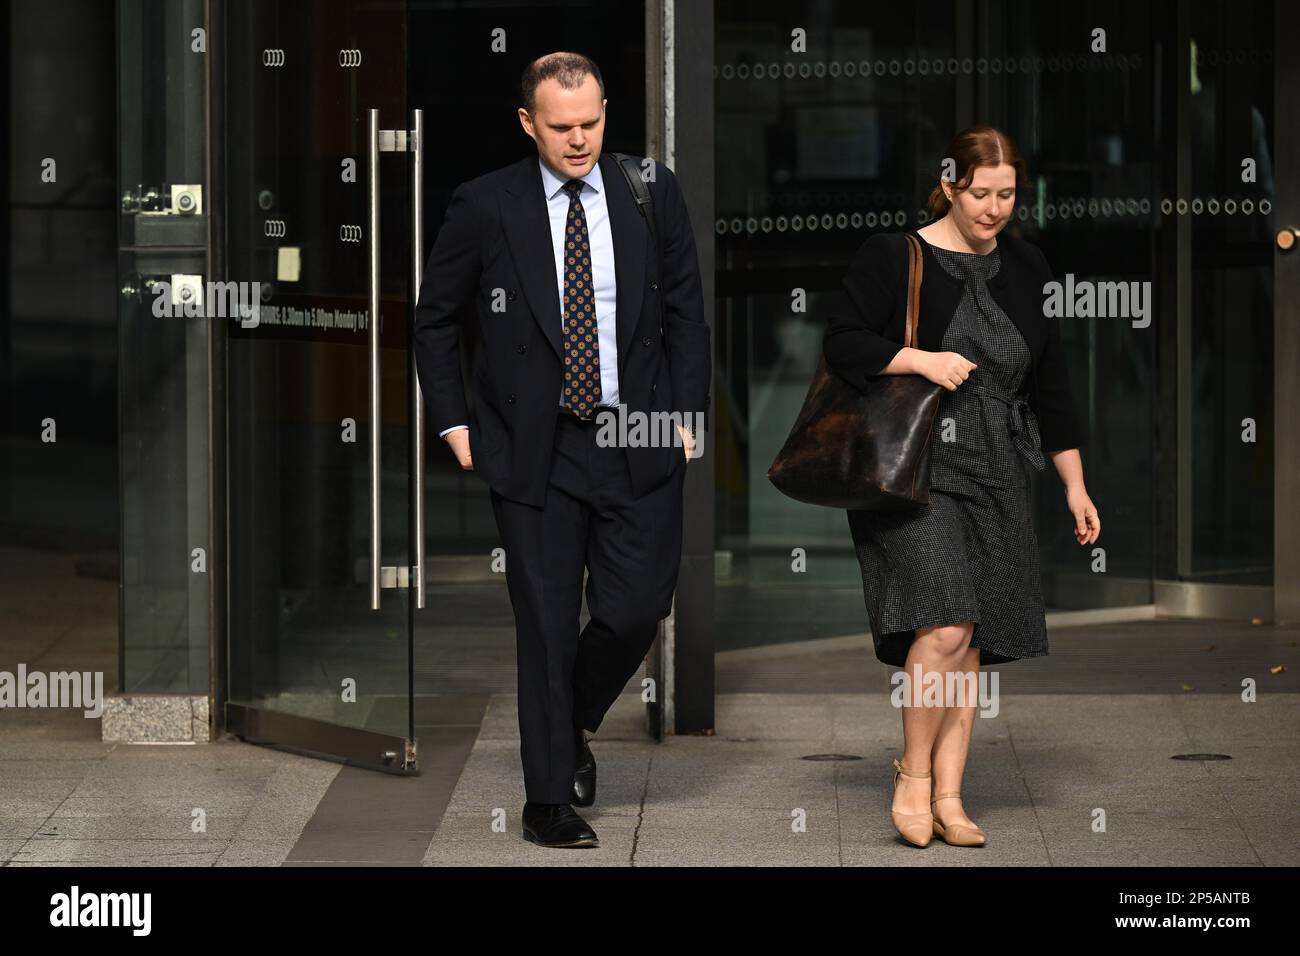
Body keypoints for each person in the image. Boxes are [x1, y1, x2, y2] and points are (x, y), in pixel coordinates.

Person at [413, 51, 711, 848]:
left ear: (606, 112)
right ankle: (547, 797)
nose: (579, 140)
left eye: (592, 123)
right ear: (527, 123)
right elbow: (434, 318)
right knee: (545, 625)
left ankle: (568, 723)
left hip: (636, 435)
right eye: (561, 127)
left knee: (636, 607)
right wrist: (455, 424)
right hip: (531, 449)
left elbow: (686, 311)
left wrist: (686, 416)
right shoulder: (485, 205)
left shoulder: (651, 190)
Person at [822, 126, 1101, 848]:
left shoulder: (1029, 265)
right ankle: (913, 776)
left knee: (970, 642)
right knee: (945, 622)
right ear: (950, 186)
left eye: (1008, 195)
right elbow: (842, 341)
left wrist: (1074, 486)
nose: (995, 208)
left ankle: (951, 795)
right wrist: (920, 360)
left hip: (1000, 468)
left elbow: (1053, 383)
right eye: (981, 193)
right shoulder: (897, 255)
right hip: (916, 468)